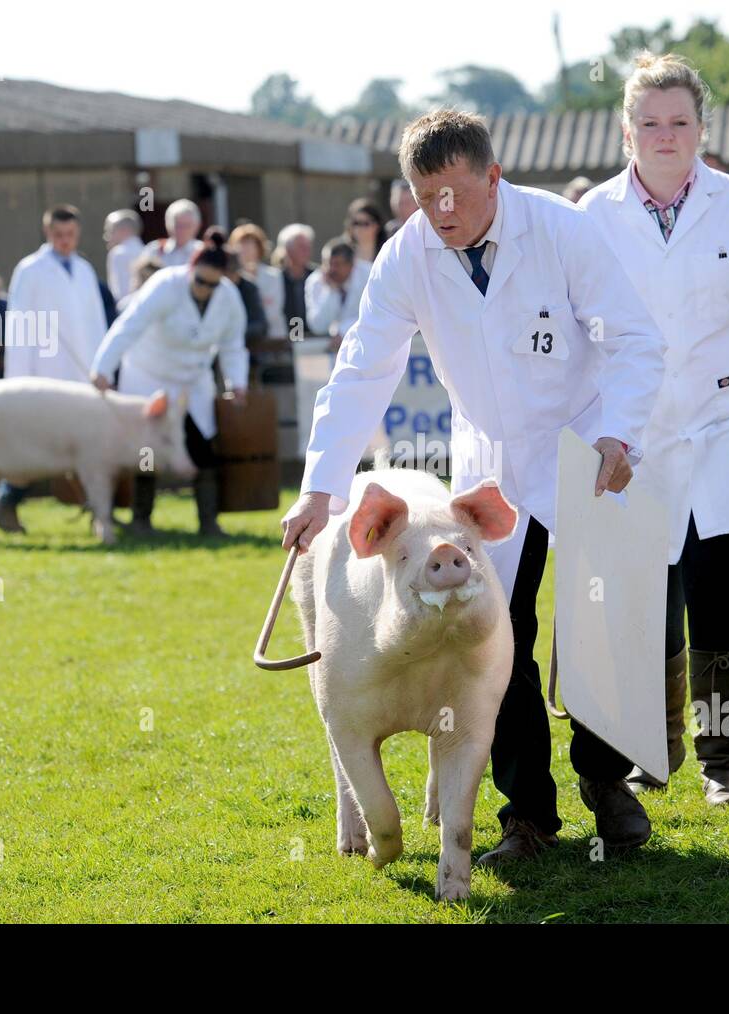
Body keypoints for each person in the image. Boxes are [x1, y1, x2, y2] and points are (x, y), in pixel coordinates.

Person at [279, 108, 666, 863]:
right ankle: (527, 816)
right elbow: (362, 372)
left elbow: (634, 337)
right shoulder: (406, 258)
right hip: (490, 458)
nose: (443, 213)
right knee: (495, 634)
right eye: (426, 198)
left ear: (494, 177)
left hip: (587, 444)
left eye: (456, 192)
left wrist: (620, 431)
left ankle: (604, 781)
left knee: (599, 628)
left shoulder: (561, 230)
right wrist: (319, 488)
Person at [580, 52, 729, 807]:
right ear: (627, 132)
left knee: (720, 591)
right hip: (638, 435)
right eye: (650, 122)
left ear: (702, 127)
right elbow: (583, 331)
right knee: (649, 594)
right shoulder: (593, 216)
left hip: (728, 425)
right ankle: (655, 750)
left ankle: (724, 763)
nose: (666, 135)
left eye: (680, 121)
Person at [90, 228, 248, 537]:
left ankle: (208, 523)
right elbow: (128, 327)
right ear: (190, 270)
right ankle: (141, 520)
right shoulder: (164, 285)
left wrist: (236, 382)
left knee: (202, 447)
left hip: (193, 381)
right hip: (150, 376)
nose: (205, 289)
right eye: (200, 281)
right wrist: (103, 369)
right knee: (147, 451)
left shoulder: (228, 297)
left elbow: (233, 345)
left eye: (212, 284)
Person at [0, 204, 108, 533]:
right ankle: (7, 498)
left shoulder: (84, 270)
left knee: (87, 445)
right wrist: (19, 381)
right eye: (58, 235)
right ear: (47, 233)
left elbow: (96, 324)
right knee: (35, 445)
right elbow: (19, 328)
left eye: (70, 235)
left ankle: (99, 512)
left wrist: (102, 369)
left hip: (82, 373)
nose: (65, 241)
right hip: (44, 373)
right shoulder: (30, 270)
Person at [305, 238, 371, 351]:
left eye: (337, 264)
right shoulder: (315, 281)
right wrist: (331, 291)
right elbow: (317, 326)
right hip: (334, 351)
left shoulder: (369, 274)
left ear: (351, 265)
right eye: (327, 263)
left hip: (368, 345)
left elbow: (372, 314)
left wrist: (343, 330)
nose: (331, 269)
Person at [231, 223, 287, 339]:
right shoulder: (231, 278)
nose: (246, 250)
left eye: (250, 245)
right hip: (243, 340)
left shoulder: (273, 276)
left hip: (273, 340)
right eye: (242, 245)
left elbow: (273, 310)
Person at [273, 223, 317, 337]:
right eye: (301, 247)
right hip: (282, 343)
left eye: (308, 247)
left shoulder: (317, 277)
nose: (306, 251)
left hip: (315, 341)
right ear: (287, 249)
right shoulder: (275, 279)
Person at [143, 199, 202, 268]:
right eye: (177, 225)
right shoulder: (154, 250)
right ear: (167, 224)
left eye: (187, 225)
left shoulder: (203, 252)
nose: (182, 230)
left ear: (197, 226)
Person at [104, 209, 145, 302]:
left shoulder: (118, 253)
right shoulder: (148, 251)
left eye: (110, 231)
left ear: (124, 231)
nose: (106, 236)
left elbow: (118, 292)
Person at [344, 197, 386, 268]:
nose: (360, 228)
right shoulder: (343, 255)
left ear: (377, 225)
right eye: (356, 223)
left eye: (365, 223)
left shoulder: (386, 253)